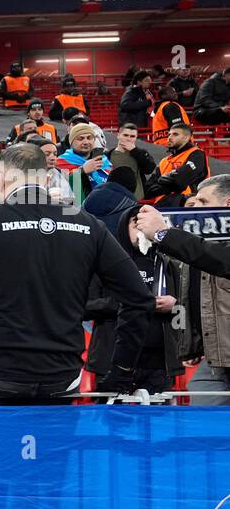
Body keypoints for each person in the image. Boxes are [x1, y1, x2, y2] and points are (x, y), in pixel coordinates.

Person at [0, 143, 152, 404]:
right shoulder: (89, 225)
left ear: (0, 179)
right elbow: (139, 298)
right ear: (46, 178)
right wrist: (122, 370)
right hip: (61, 377)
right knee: (52, 446)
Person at [136, 176, 230, 403]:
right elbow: (199, 299)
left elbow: (220, 261)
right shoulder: (203, 243)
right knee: (201, 424)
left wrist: (163, 234)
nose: (194, 207)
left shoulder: (204, 249)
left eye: (203, 202)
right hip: (216, 360)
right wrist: (194, 344)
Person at [85, 204, 191, 396]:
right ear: (123, 228)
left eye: (146, 223)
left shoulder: (170, 263)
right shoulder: (104, 262)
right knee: (113, 421)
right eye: (136, 224)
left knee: (158, 423)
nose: (142, 229)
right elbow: (84, 306)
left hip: (159, 363)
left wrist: (176, 305)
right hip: (112, 360)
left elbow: (189, 308)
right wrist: (130, 303)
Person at [144, 122, 208, 211]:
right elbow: (148, 190)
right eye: (169, 134)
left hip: (186, 207)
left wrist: (161, 181)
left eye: (175, 134)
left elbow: (181, 181)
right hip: (161, 208)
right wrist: (170, 181)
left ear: (186, 137)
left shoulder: (197, 154)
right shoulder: (164, 161)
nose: (169, 137)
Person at [108, 122, 158, 200]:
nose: (128, 139)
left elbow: (149, 169)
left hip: (136, 198)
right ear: (118, 135)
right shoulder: (108, 155)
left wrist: (134, 151)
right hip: (114, 197)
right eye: (125, 135)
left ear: (136, 138)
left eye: (132, 136)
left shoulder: (141, 153)